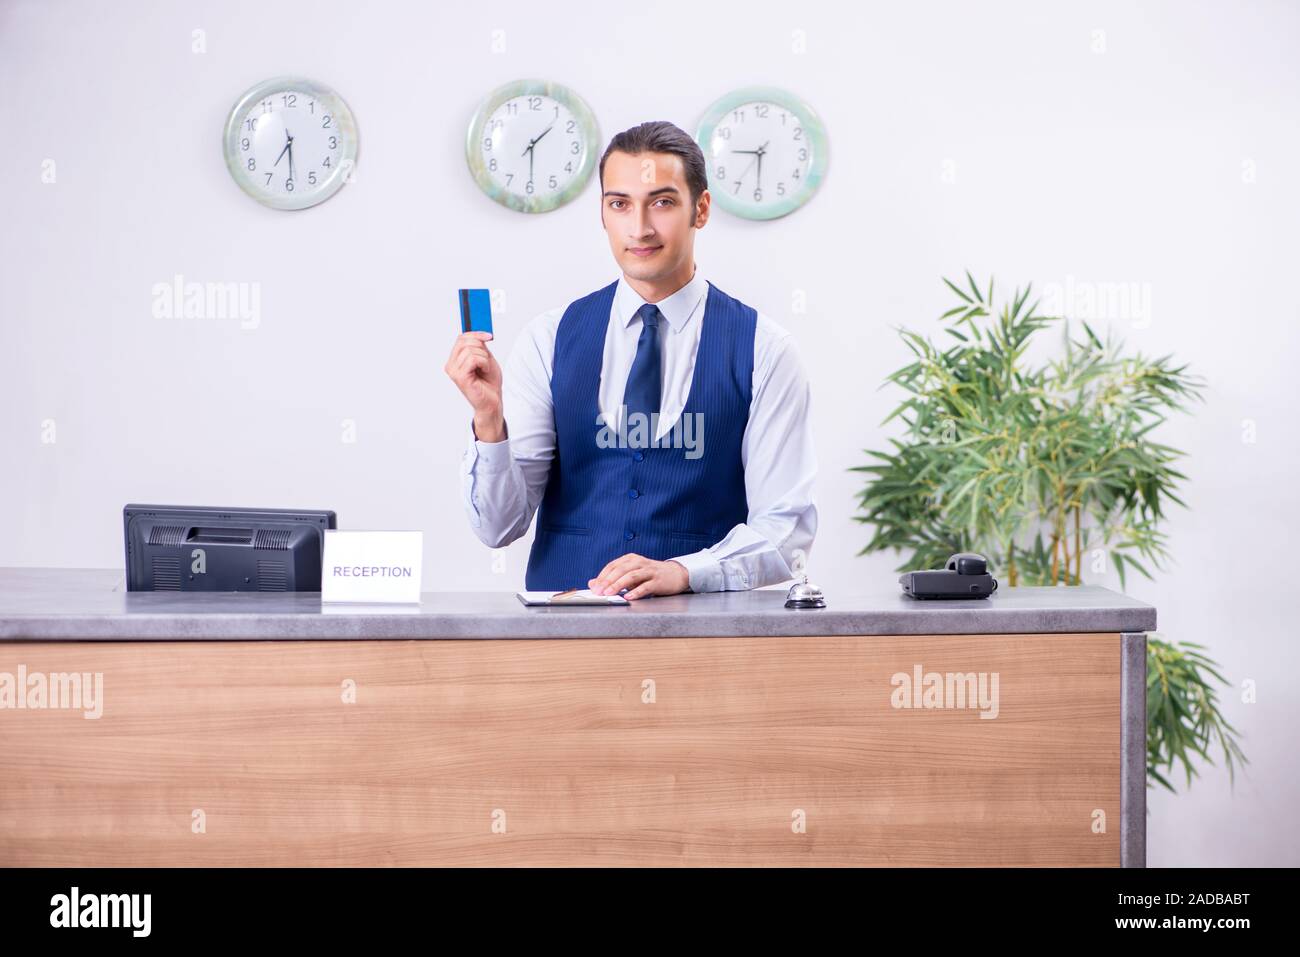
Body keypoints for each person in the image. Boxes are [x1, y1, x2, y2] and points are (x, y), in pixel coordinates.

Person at [445, 120, 817, 599]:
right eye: (620, 204)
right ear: (603, 214)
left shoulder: (765, 349)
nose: (639, 228)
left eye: (662, 203)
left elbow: (787, 529)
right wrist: (489, 421)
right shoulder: (548, 340)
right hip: (561, 641)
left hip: (706, 641)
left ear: (700, 210)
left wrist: (686, 571)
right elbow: (498, 528)